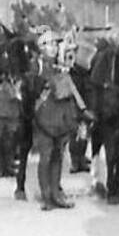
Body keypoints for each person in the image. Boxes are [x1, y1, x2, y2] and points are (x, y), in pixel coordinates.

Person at [32, 29, 93, 209]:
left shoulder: (61, 66)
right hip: (44, 118)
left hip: (60, 119)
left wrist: (82, 110)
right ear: (42, 47)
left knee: (58, 156)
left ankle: (56, 193)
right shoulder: (39, 66)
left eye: (53, 44)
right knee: (46, 157)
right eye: (49, 44)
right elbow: (37, 87)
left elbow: (71, 90)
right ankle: (46, 195)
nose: (53, 47)